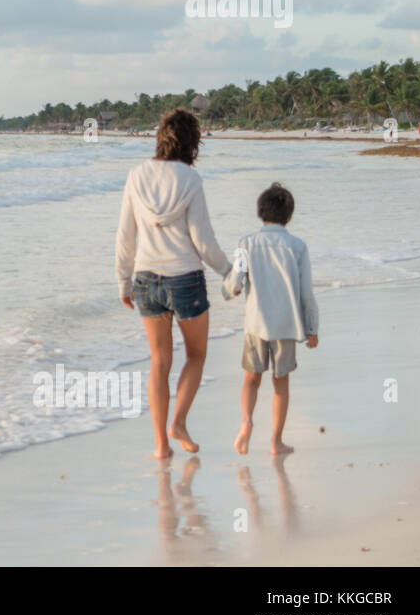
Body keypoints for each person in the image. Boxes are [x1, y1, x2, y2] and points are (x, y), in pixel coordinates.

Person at [116, 109, 232, 459]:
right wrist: (227, 270)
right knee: (196, 355)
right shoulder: (190, 180)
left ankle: (160, 445)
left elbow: (125, 235)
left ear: (160, 137)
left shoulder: (137, 176)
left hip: (146, 279)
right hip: (185, 279)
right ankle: (178, 422)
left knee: (159, 361)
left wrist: (123, 281)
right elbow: (202, 240)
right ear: (192, 142)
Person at [221, 183, 318, 456]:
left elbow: (235, 281)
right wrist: (312, 328)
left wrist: (228, 291)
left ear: (260, 212)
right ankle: (276, 442)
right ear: (289, 215)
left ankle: (247, 422)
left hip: (256, 324)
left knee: (251, 378)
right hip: (286, 326)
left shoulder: (247, 243)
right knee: (281, 383)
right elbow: (306, 292)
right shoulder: (298, 246)